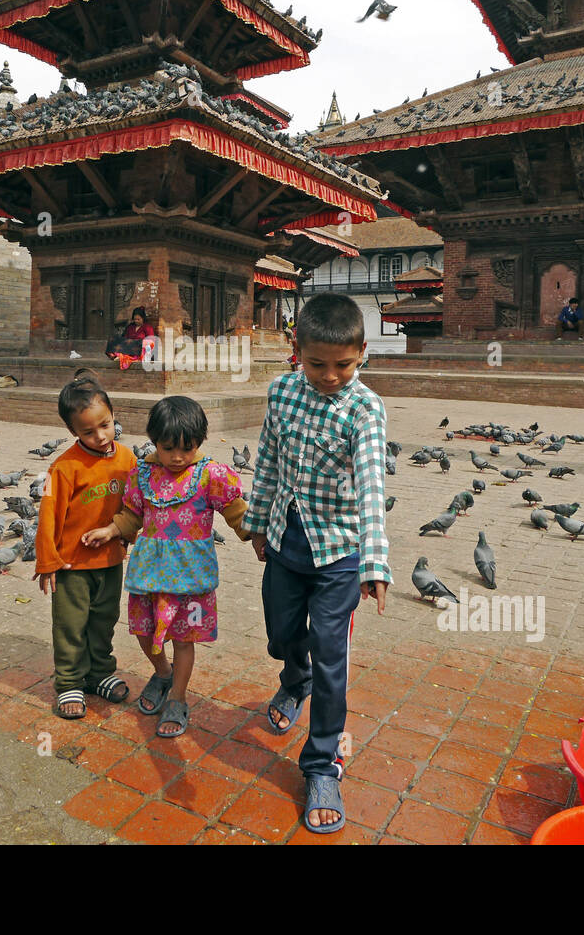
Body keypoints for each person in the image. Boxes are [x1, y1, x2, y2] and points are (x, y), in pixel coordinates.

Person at [242, 292, 391, 834]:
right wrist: (257, 524)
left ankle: (323, 763)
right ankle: (293, 676)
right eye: (317, 364)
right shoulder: (281, 392)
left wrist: (374, 563)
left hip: (340, 554)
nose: (330, 376)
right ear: (295, 350)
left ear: (362, 354)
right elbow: (268, 463)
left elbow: (373, 490)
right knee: (282, 632)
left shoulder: (365, 409)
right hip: (286, 540)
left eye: (344, 365)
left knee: (333, 654)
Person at [83, 396, 252, 738]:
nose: (177, 457)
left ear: (199, 442)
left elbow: (236, 513)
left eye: (187, 449)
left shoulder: (211, 475)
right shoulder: (142, 473)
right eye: (168, 447)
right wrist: (112, 530)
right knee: (144, 631)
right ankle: (161, 672)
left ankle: (177, 696)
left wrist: (262, 536)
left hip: (191, 578)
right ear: (154, 440)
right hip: (149, 574)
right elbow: (132, 515)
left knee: (184, 639)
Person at [33, 373, 138, 719]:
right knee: (70, 625)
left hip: (110, 559)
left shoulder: (127, 459)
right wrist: (47, 561)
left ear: (113, 415)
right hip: (71, 565)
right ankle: (68, 682)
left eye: (105, 425)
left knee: (105, 619)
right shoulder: (63, 468)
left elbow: (134, 506)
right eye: (88, 432)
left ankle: (100, 673)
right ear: (74, 432)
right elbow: (48, 516)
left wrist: (126, 535)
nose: (100, 436)